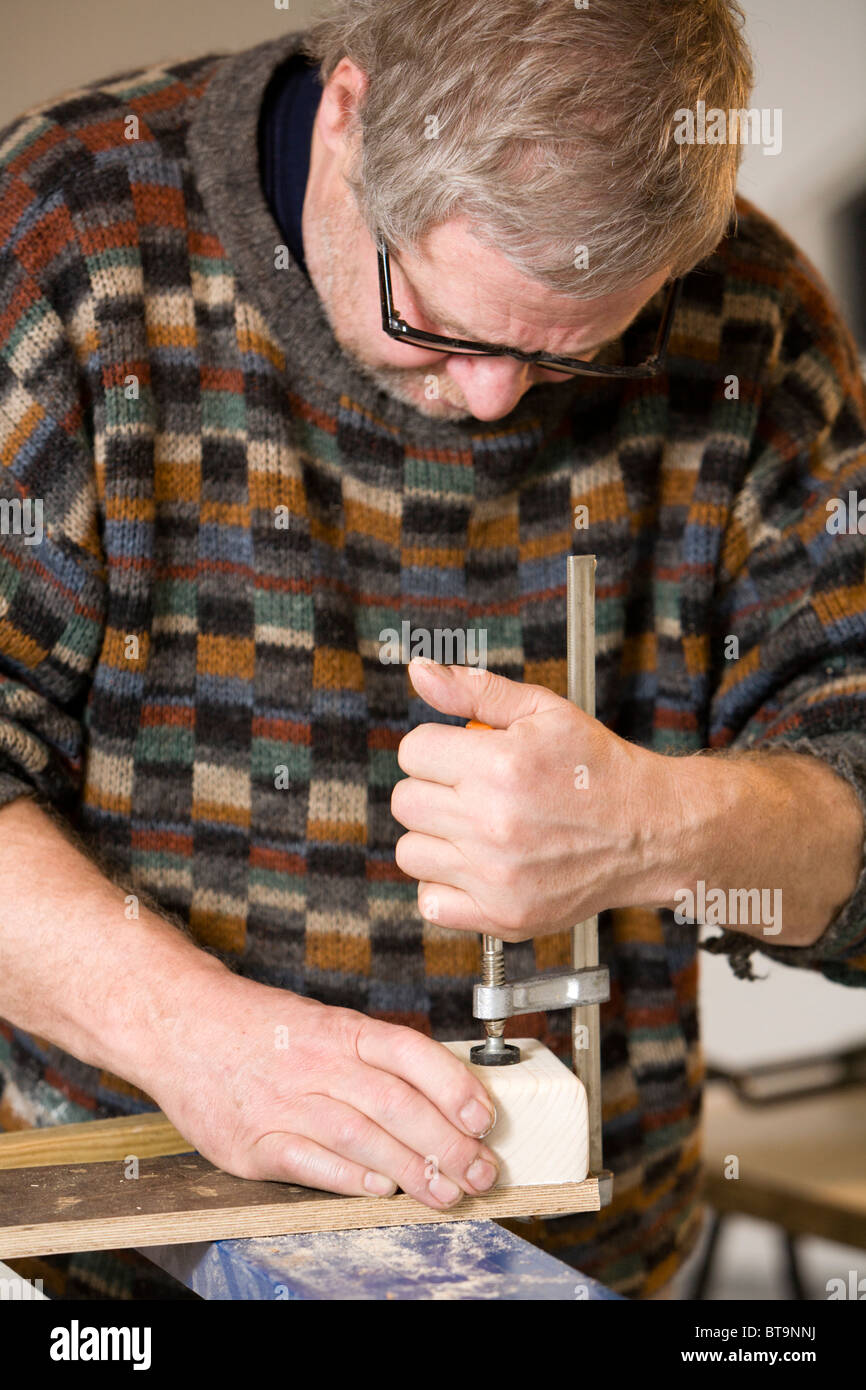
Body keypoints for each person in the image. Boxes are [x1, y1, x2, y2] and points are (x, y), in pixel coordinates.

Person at [0, 0, 864, 1300]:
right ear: (347, 119)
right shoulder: (59, 239)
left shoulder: (754, 324)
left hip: (584, 1256)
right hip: (114, 1255)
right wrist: (196, 1035)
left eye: (578, 352)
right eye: (445, 326)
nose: (491, 403)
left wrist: (667, 826)